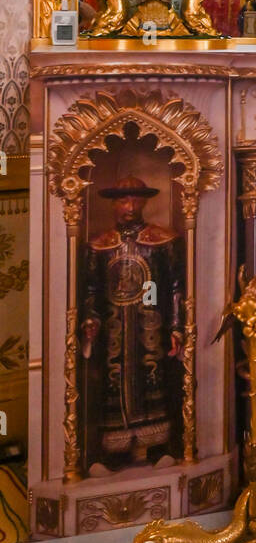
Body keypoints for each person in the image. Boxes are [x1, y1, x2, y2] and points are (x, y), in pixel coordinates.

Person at [81, 176, 185, 468]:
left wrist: (177, 325)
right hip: (114, 326)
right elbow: (90, 289)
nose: (130, 206)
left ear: (145, 202)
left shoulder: (163, 240)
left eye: (135, 200)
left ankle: (159, 446)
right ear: (113, 203)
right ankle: (113, 451)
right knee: (111, 379)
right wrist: (90, 319)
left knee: (155, 375)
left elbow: (177, 286)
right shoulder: (99, 246)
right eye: (123, 200)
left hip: (151, 322)